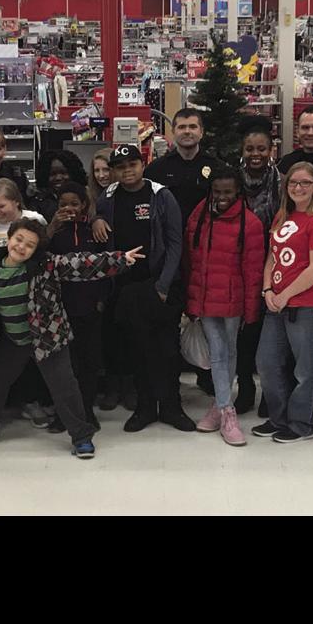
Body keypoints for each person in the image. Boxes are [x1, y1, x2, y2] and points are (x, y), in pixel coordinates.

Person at [0, 218, 144, 459]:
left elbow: (81, 264)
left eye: (30, 245)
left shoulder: (46, 265)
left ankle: (81, 436)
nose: (22, 247)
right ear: (10, 238)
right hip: (9, 339)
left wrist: (119, 259)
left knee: (65, 388)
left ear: (37, 250)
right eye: (19, 240)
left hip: (48, 338)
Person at [93, 143, 196, 433]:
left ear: (142, 165)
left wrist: (164, 285)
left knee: (167, 351)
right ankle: (146, 408)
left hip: (161, 286)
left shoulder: (161, 195)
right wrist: (97, 218)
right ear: (114, 171)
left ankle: (172, 408)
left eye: (133, 165)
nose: (127, 171)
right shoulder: (108, 197)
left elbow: (176, 242)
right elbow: (96, 219)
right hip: (126, 288)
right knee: (137, 351)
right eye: (121, 167)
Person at [251, 161, 313, 444]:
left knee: (306, 367)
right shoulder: (282, 216)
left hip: (308, 305)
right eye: (293, 183)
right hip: (277, 304)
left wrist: (285, 294)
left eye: (304, 183)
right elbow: (271, 257)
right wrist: (267, 290)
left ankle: (302, 423)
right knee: (267, 363)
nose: (298, 188)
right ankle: (278, 418)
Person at [184, 167, 264, 447]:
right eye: (217, 191)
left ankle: (222, 408)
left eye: (227, 192)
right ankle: (224, 408)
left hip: (233, 301)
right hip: (205, 300)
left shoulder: (250, 223)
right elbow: (192, 261)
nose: (221, 197)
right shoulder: (200, 216)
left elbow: (253, 272)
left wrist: (251, 310)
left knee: (227, 352)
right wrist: (191, 301)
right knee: (220, 353)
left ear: (238, 192)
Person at [0, 177, 51, 427]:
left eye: (1, 206)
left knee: (34, 360)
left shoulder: (35, 220)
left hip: (32, 303)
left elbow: (46, 257)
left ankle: (32, 402)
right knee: (0, 363)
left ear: (16, 202)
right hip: (2, 307)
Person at [44, 181, 108, 433]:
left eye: (74, 204)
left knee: (89, 362)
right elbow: (38, 255)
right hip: (60, 308)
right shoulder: (53, 232)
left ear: (83, 205)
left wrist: (102, 297)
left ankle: (87, 411)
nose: (69, 208)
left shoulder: (94, 230)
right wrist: (52, 226)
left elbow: (106, 264)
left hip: (90, 306)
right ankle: (65, 413)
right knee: (65, 365)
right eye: (63, 205)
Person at [232, 124, 283, 414]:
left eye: (261, 149)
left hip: (276, 266)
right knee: (244, 335)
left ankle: (270, 393)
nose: (255, 154)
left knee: (271, 336)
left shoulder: (282, 183)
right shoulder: (232, 182)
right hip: (240, 268)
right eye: (250, 149)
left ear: (270, 151)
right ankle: (246, 390)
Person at [86, 148, 130, 412]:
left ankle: (129, 385)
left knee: (129, 333)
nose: (102, 175)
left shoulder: (127, 194)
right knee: (108, 335)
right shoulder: (92, 199)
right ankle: (112, 386)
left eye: (106, 169)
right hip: (102, 277)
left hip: (128, 272)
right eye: (97, 170)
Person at [144, 108, 228, 224]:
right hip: (169, 237)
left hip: (206, 235)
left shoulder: (217, 167)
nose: (187, 131)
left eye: (193, 127)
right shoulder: (155, 170)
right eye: (181, 127)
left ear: (201, 132)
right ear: (173, 131)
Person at [29, 150, 88, 218]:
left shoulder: (86, 196)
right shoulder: (37, 203)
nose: (58, 178)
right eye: (53, 174)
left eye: (63, 173)